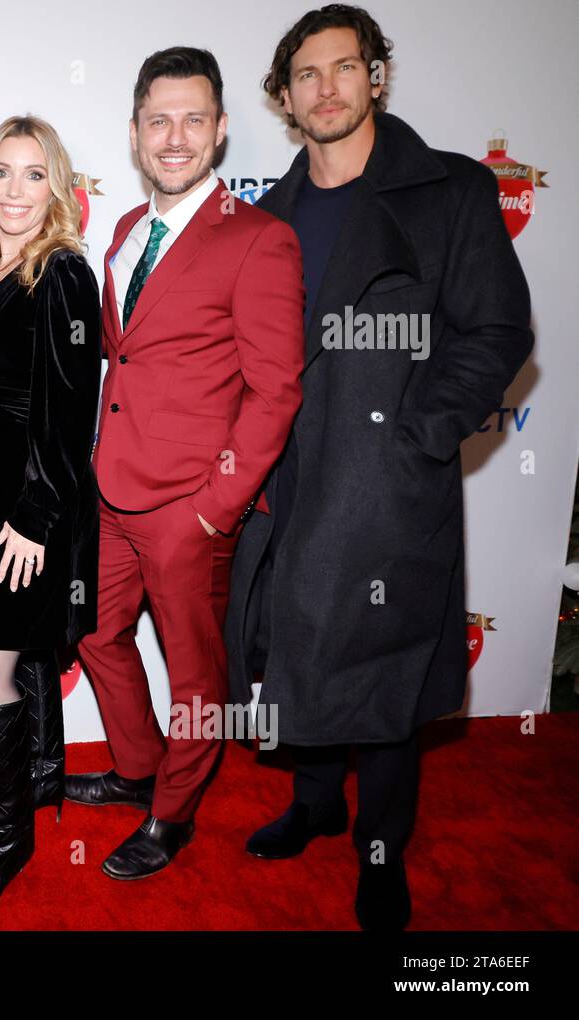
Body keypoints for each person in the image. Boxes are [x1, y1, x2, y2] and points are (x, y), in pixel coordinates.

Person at [225, 4, 533, 930]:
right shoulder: (263, 215)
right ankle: (316, 805)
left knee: (382, 671)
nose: (326, 88)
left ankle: (380, 848)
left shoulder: (448, 192)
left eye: (344, 68)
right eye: (306, 75)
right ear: (285, 98)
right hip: (285, 480)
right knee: (298, 653)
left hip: (385, 482)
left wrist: (420, 433)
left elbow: (498, 332)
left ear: (377, 76)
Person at [73, 48, 304, 881]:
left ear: (222, 130)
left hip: (188, 508)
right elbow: (123, 361)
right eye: (159, 121)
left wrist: (216, 505)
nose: (175, 138)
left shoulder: (260, 239)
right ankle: (137, 767)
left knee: (195, 676)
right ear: (135, 134)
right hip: (110, 491)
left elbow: (276, 391)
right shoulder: (130, 231)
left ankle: (173, 812)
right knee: (97, 635)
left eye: (193, 119)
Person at [0, 115, 102, 911]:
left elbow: (72, 409)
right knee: (26, 656)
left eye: (34, 175)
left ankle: (8, 841)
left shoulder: (62, 273)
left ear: (58, 188)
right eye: (2, 172)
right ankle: (38, 786)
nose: (15, 190)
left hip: (25, 499)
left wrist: (36, 514)